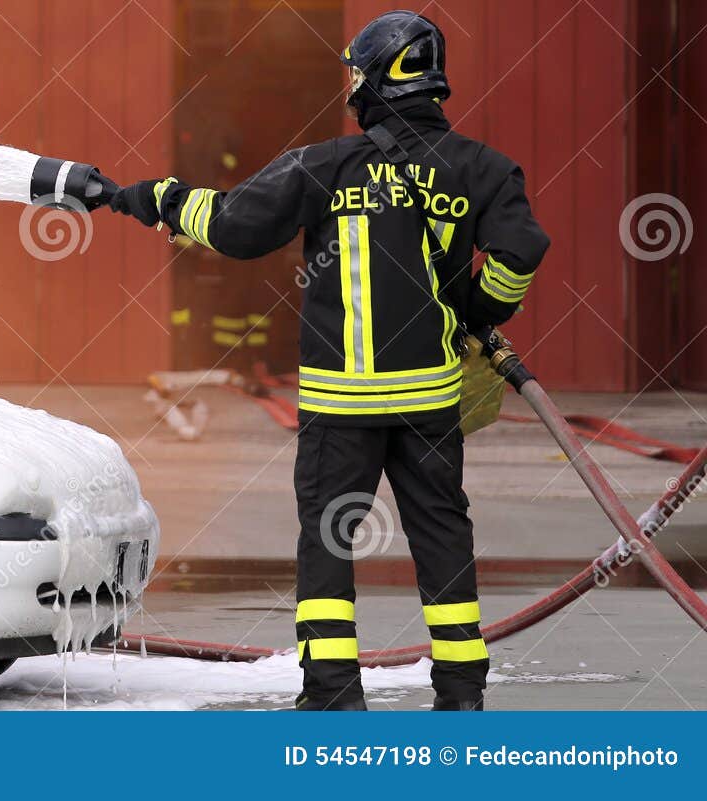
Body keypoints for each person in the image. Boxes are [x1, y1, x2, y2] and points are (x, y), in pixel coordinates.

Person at [108, 10, 549, 710]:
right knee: (441, 534)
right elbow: (522, 251)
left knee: (329, 537)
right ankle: (462, 690)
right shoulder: (482, 169)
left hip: (340, 406)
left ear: (375, 80)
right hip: (430, 402)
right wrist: (485, 311)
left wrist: (159, 198)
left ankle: (332, 692)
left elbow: (232, 228)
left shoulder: (324, 166)